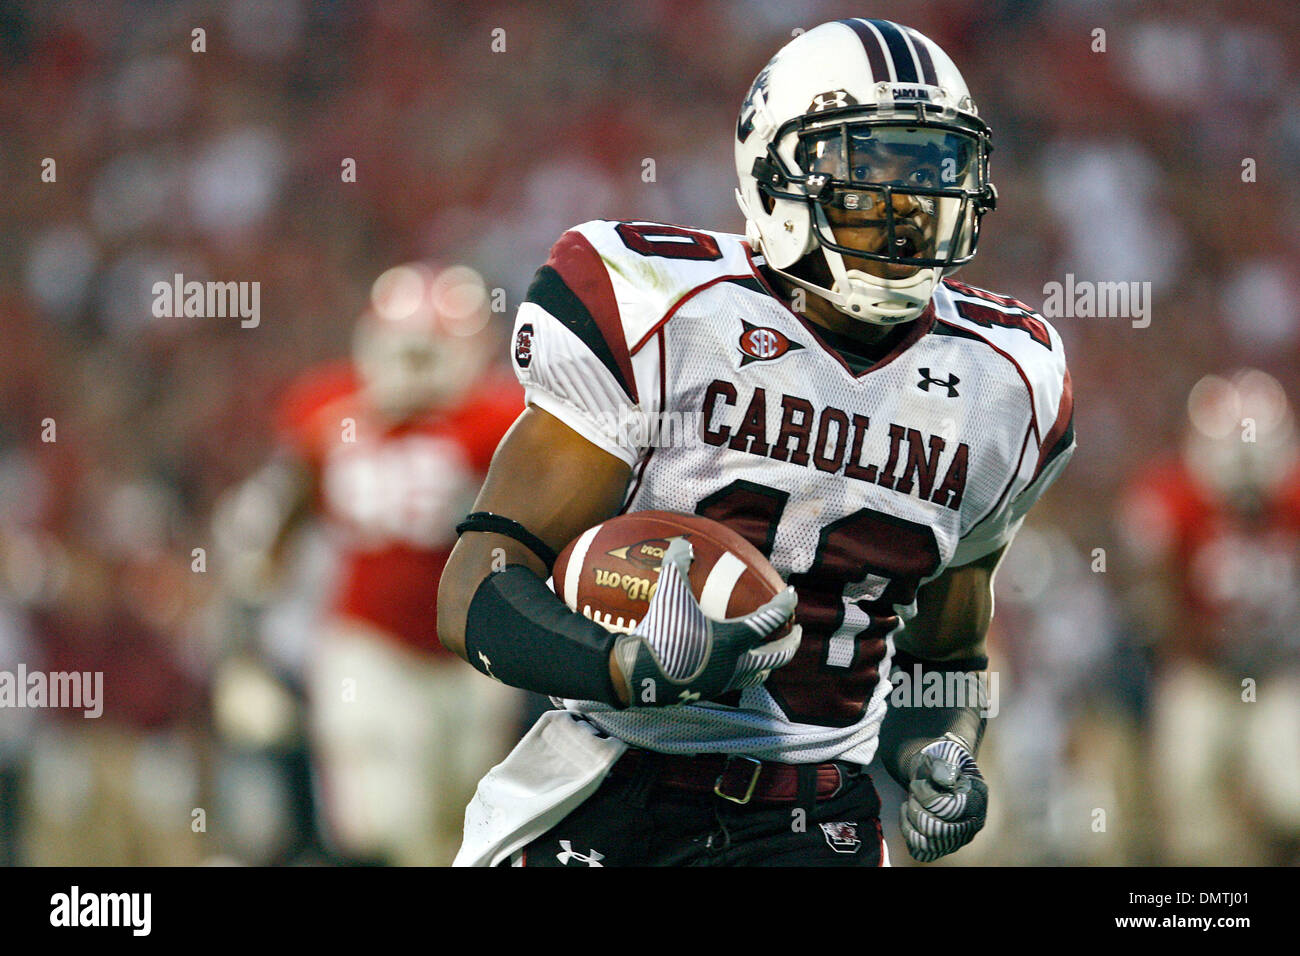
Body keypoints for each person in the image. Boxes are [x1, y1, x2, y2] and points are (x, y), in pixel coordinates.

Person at [439, 19, 1075, 867]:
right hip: (612, 785)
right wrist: (630, 666)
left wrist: (937, 750)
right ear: (777, 176)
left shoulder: (1006, 381)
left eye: (933, 176)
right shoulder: (659, 308)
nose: (909, 214)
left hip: (817, 820)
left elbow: (947, 651)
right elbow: (478, 587)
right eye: (869, 177)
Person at [217, 262, 524, 865]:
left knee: (468, 817)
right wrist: (243, 650)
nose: (414, 368)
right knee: (384, 819)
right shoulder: (328, 414)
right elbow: (263, 536)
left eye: (428, 352)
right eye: (403, 351)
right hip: (369, 644)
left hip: (475, 653)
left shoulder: (497, 421)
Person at [1119, 369, 1300, 864]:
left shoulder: (1292, 499)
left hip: (1282, 673)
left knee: (1291, 799)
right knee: (1192, 808)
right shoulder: (1177, 501)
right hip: (1203, 672)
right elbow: (1155, 599)